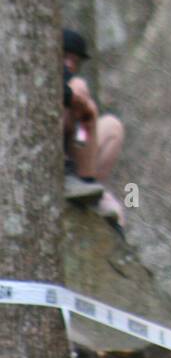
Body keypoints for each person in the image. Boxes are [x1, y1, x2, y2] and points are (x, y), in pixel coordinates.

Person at [62, 29, 126, 224]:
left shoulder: (69, 82)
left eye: (75, 61)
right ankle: (79, 179)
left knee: (112, 126)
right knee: (82, 95)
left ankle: (88, 184)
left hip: (78, 145)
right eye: (65, 57)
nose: (70, 65)